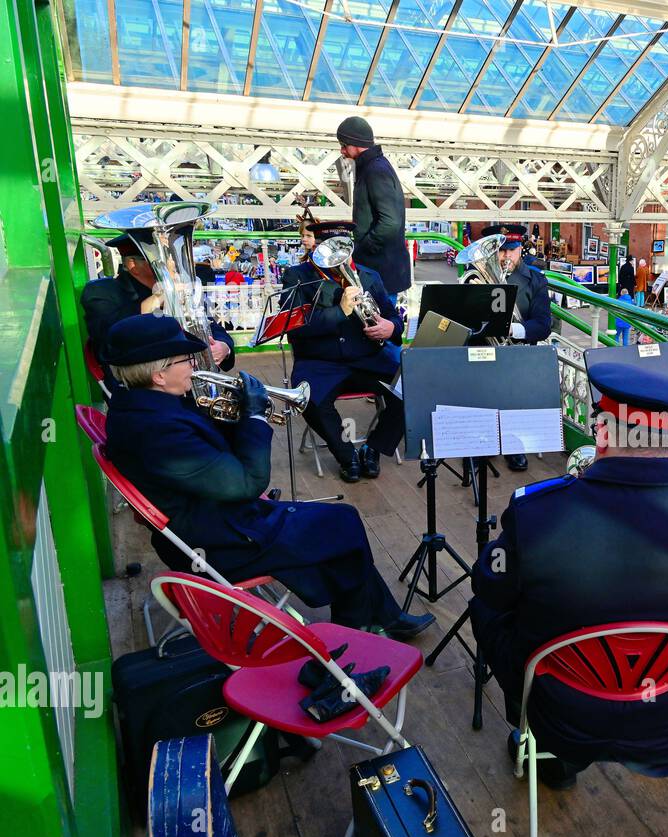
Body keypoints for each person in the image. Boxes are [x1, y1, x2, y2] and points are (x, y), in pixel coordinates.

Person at [469, 363, 668, 789]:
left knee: (490, 609)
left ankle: (547, 750)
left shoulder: (536, 513)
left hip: (562, 721)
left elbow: (487, 585)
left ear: (602, 432)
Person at [102, 314, 432, 640]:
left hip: (210, 518)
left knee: (339, 525)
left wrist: (233, 415)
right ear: (159, 375)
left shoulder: (143, 405)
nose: (193, 365)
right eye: (185, 360)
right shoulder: (159, 430)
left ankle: (379, 617)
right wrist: (255, 416)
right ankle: (356, 627)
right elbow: (248, 482)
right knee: (342, 524)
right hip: (220, 543)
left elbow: (209, 452)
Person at [280, 220, 405, 483]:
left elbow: (395, 317)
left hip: (367, 358)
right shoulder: (297, 276)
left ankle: (374, 448)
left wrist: (389, 327)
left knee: (410, 387)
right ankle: (346, 456)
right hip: (319, 361)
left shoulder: (369, 275)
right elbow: (294, 329)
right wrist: (340, 313)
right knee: (309, 399)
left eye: (343, 247)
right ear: (318, 245)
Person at [81, 232, 235, 390]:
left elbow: (211, 326)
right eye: (164, 260)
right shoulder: (101, 292)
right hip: (141, 389)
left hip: (190, 381)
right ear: (133, 265)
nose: (173, 265)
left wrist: (224, 347)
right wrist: (160, 296)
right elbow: (109, 340)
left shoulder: (181, 290)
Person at [475, 223, 554, 471]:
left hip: (517, 353)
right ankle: (482, 443)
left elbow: (543, 325)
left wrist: (514, 330)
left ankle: (512, 443)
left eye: (512, 249)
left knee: (512, 386)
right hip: (485, 350)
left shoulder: (536, 281)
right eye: (501, 251)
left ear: (521, 249)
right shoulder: (477, 277)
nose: (507, 256)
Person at [336, 116, 410, 302]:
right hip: (380, 269)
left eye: (344, 144)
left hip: (380, 270)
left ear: (356, 143)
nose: (342, 150)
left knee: (380, 326)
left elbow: (391, 222)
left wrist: (364, 247)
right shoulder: (374, 167)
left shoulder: (375, 170)